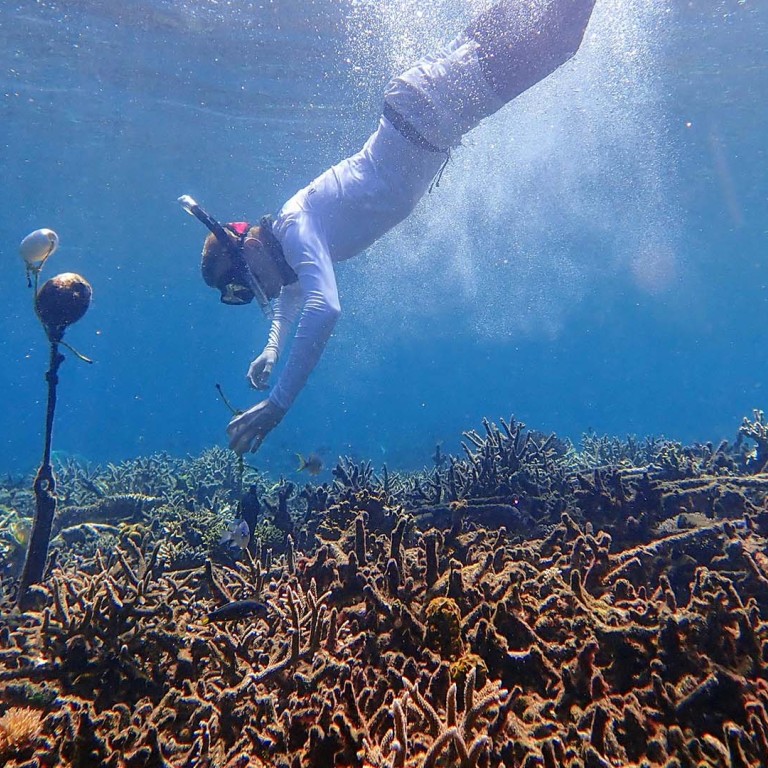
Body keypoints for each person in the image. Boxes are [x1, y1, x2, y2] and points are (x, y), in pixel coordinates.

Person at [182, 0, 597, 455]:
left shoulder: (298, 228)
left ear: (252, 248)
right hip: (426, 110)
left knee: (556, 40)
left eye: (249, 284)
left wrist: (279, 403)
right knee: (531, 32)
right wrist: (273, 349)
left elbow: (325, 308)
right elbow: (292, 294)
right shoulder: (289, 241)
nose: (262, 294)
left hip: (434, 108)